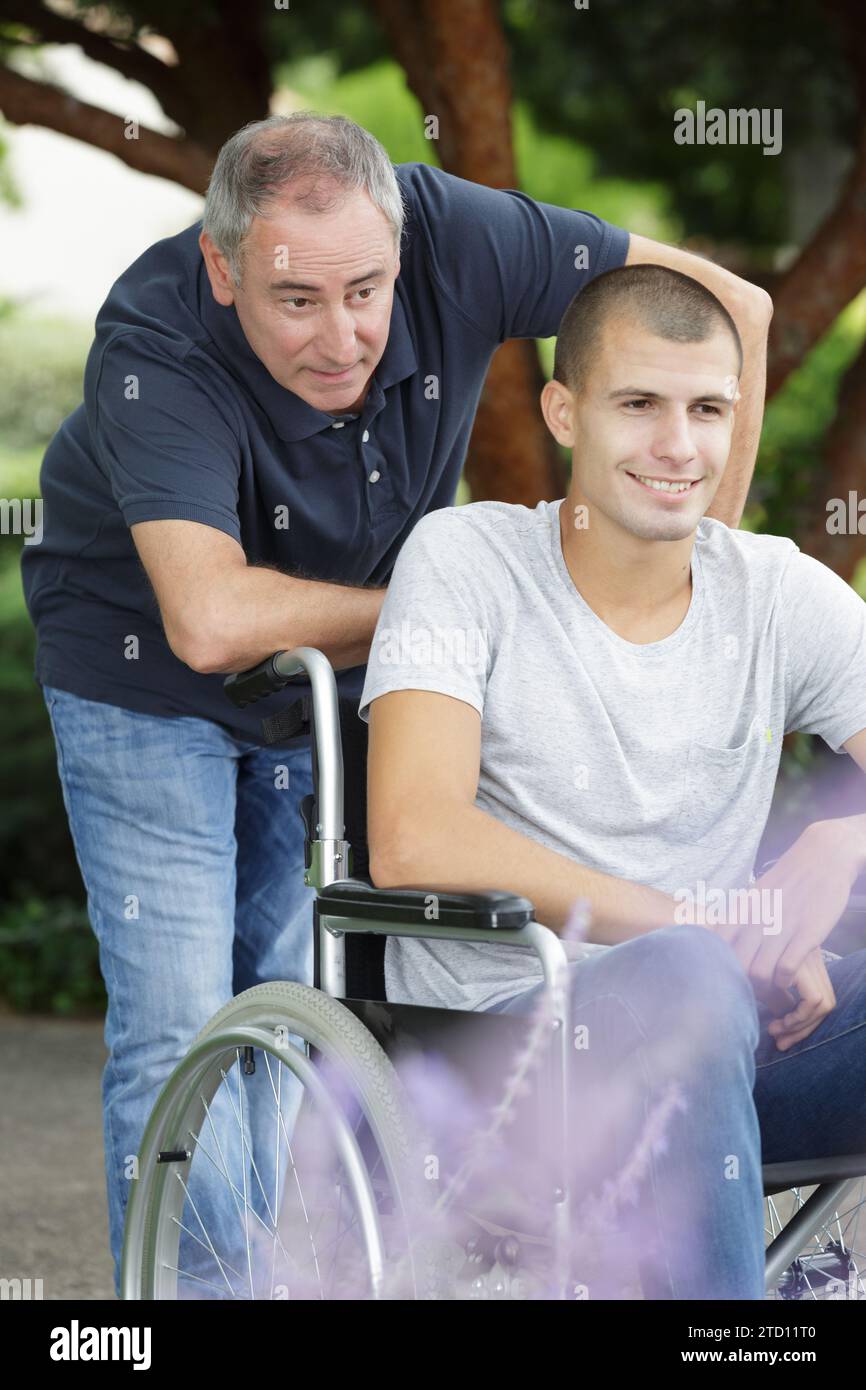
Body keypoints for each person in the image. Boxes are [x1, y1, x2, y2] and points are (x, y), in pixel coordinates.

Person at [21, 111, 772, 1297]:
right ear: (222, 270)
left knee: (285, 1001)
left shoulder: (460, 234)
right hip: (141, 672)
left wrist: (684, 582)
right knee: (179, 1015)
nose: (343, 336)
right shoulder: (153, 338)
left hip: (321, 669)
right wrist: (468, 607)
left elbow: (732, 306)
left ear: (403, 244)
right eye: (296, 300)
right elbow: (208, 621)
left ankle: (262, 1280)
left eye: (367, 290)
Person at [358, 263, 866, 1299]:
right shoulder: (466, 562)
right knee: (685, 975)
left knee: (704, 980)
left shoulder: (772, 590)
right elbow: (414, 834)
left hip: (735, 1045)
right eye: (637, 404)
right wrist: (719, 932)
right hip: (507, 1060)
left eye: (706, 409)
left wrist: (843, 836)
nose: (676, 446)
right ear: (562, 410)